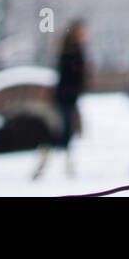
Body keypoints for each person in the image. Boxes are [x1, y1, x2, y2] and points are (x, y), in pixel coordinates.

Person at [34, 19, 89, 180]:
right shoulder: (71, 52)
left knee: (64, 131)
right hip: (66, 97)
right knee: (62, 132)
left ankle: (60, 166)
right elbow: (70, 76)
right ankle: (64, 167)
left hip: (68, 97)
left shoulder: (71, 50)